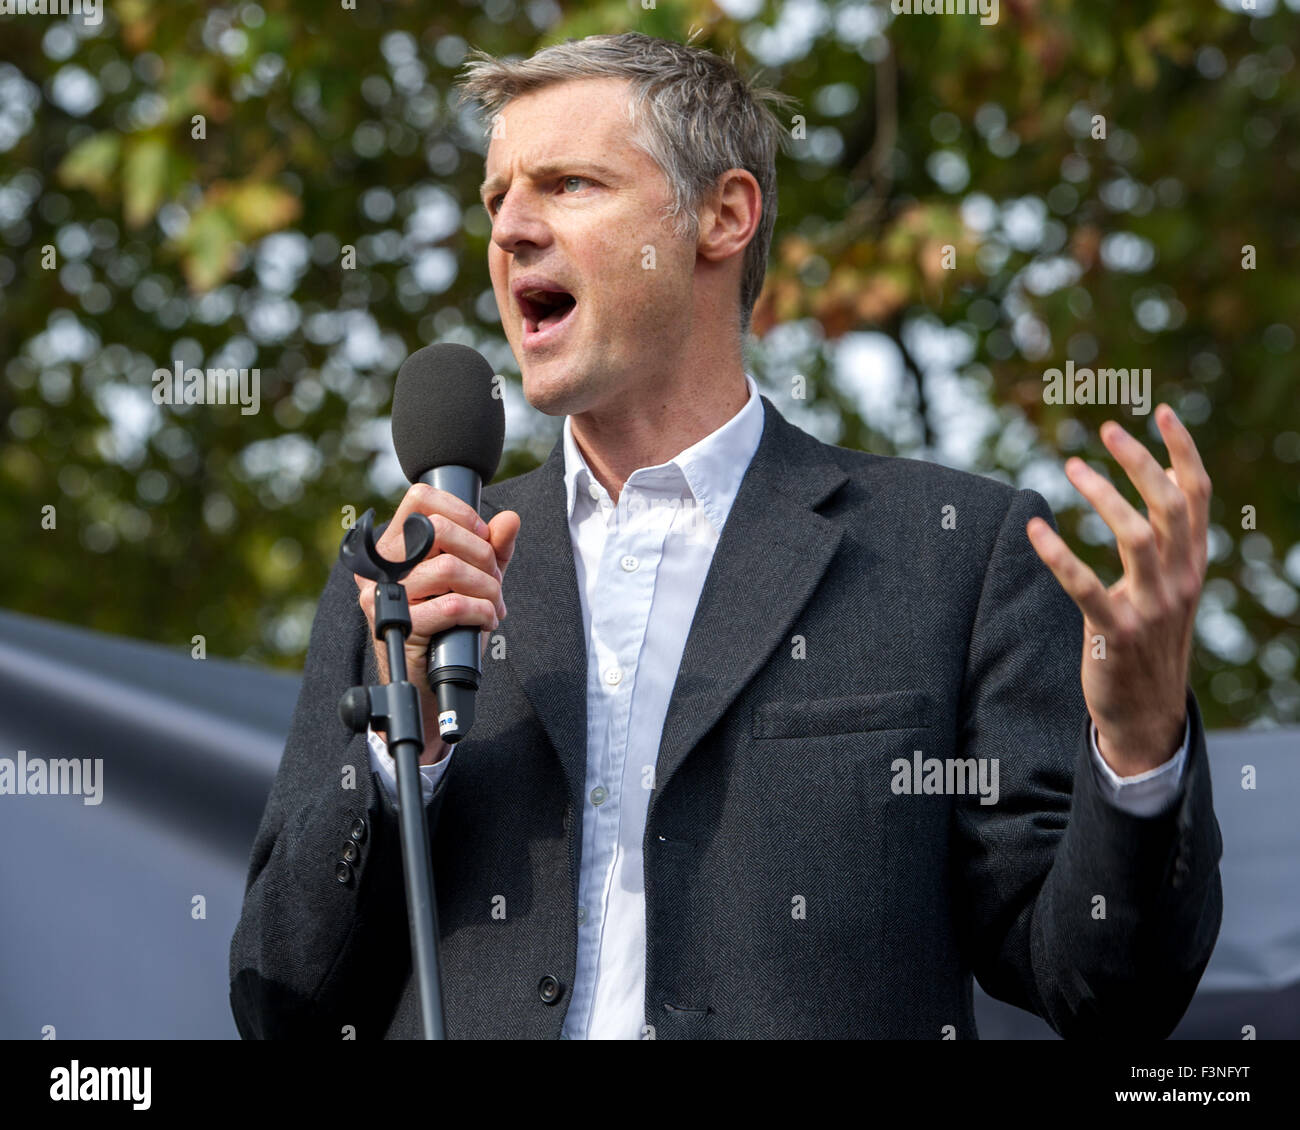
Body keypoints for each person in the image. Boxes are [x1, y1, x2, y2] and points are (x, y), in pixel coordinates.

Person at [229, 32, 1222, 1039]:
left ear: (722, 214)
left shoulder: (953, 553)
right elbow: (281, 998)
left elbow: (1105, 987)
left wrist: (1139, 750)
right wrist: (406, 763)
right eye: (496, 199)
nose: (512, 229)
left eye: (568, 184)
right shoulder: (410, 574)